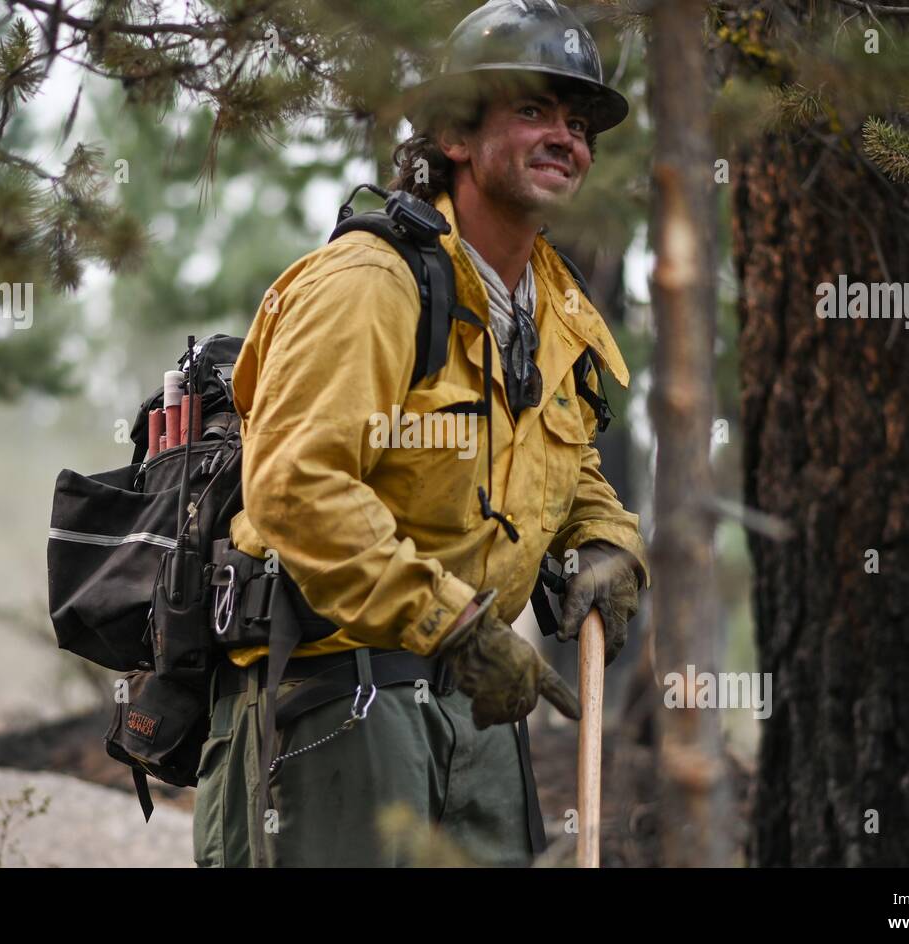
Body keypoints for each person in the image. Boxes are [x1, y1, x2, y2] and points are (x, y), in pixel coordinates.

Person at [192, 0, 650, 868]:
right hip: (337, 696)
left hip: (477, 704)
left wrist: (610, 543)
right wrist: (453, 624)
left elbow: (568, 460)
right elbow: (296, 485)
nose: (567, 138)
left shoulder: (556, 306)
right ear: (453, 134)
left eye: (579, 123)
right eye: (532, 111)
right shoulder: (370, 284)